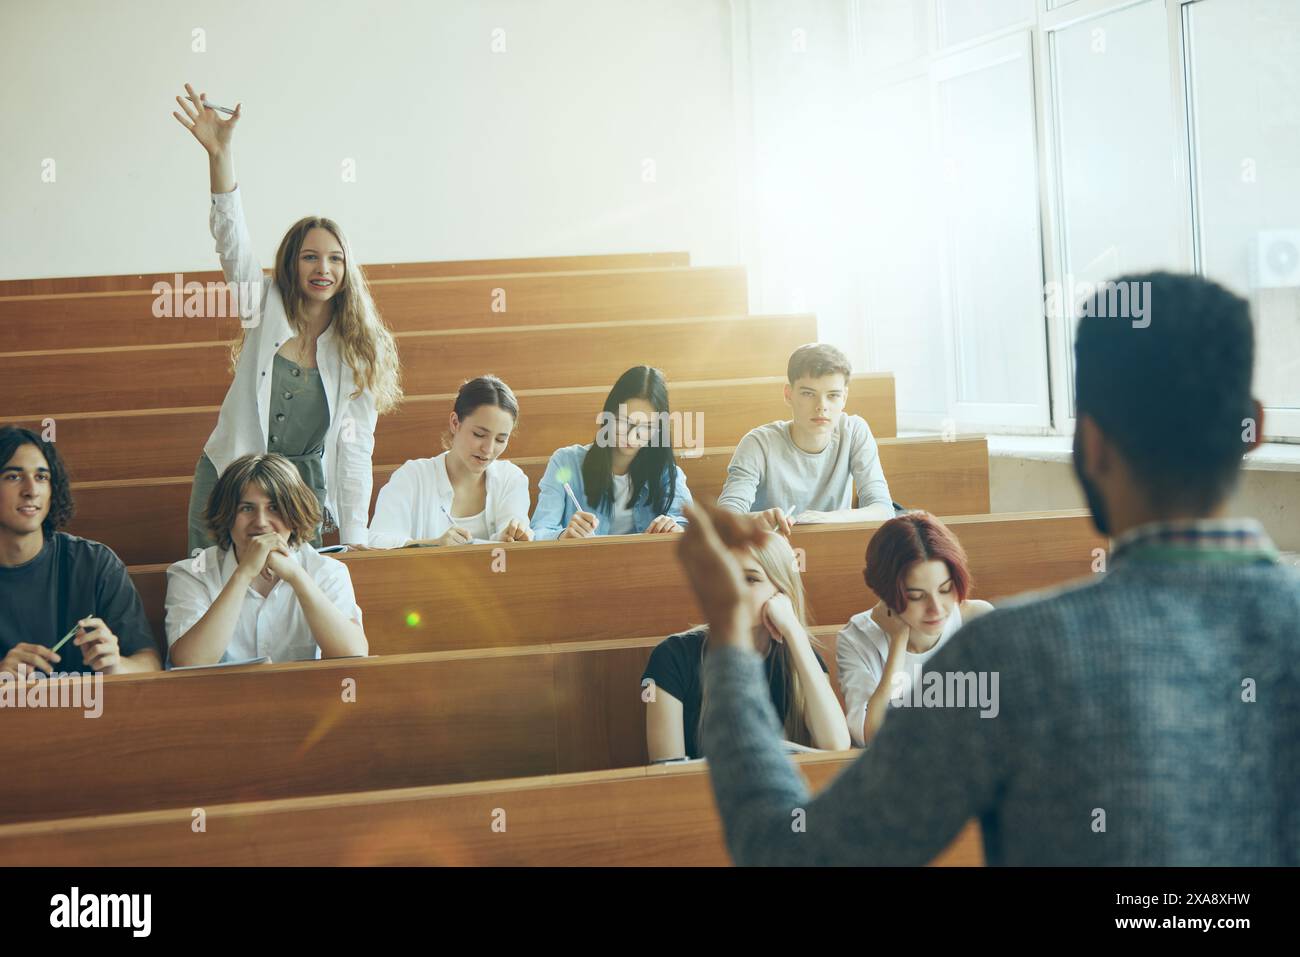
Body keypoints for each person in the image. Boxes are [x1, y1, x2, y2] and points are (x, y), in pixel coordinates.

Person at [678, 272, 1299, 865]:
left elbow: (795, 856)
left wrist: (730, 643)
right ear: (1254, 429)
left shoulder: (1011, 653)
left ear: (1088, 444)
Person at [172, 82, 402, 554]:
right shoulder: (263, 304)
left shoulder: (359, 346)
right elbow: (230, 239)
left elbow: (355, 449)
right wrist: (220, 153)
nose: (323, 269)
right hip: (231, 476)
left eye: (335, 259)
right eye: (311, 258)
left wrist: (355, 539)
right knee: (214, 588)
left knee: (290, 604)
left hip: (298, 493)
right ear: (291, 264)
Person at [642, 530, 849, 760]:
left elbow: (836, 745)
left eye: (751, 579)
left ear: (781, 592)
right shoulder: (671, 657)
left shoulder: (802, 658)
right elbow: (666, 773)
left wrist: (794, 631)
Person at [165, 453, 368, 666]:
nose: (261, 522)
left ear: (294, 513)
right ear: (227, 515)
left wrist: (297, 577)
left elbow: (353, 655)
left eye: (274, 508)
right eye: (247, 508)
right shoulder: (191, 574)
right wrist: (243, 575)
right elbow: (190, 663)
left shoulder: (328, 571)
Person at [0, 427, 160, 677]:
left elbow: (149, 665)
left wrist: (115, 666)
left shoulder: (95, 564)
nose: (31, 490)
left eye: (42, 477)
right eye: (13, 476)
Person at [836, 512, 992, 746]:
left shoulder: (977, 619)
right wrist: (898, 641)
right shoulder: (857, 638)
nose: (936, 609)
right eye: (917, 596)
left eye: (945, 589)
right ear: (886, 593)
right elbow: (875, 738)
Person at [718, 342, 894, 535]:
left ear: (844, 397)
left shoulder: (854, 431)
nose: (821, 406)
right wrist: (756, 519)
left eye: (833, 395)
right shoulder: (757, 443)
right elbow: (725, 518)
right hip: (772, 553)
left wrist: (827, 518)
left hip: (833, 547)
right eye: (808, 394)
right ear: (788, 394)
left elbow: (884, 510)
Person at [367, 376, 532, 547]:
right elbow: (377, 541)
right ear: (455, 423)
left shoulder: (511, 478)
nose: (488, 449)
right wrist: (434, 545)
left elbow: (514, 537)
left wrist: (514, 536)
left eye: (500, 440)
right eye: (479, 435)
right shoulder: (412, 477)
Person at [531, 366, 692, 540]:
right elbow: (539, 531)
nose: (632, 435)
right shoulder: (565, 462)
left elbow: (691, 528)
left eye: (647, 427)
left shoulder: (667, 474)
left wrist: (677, 531)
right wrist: (563, 536)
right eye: (624, 421)